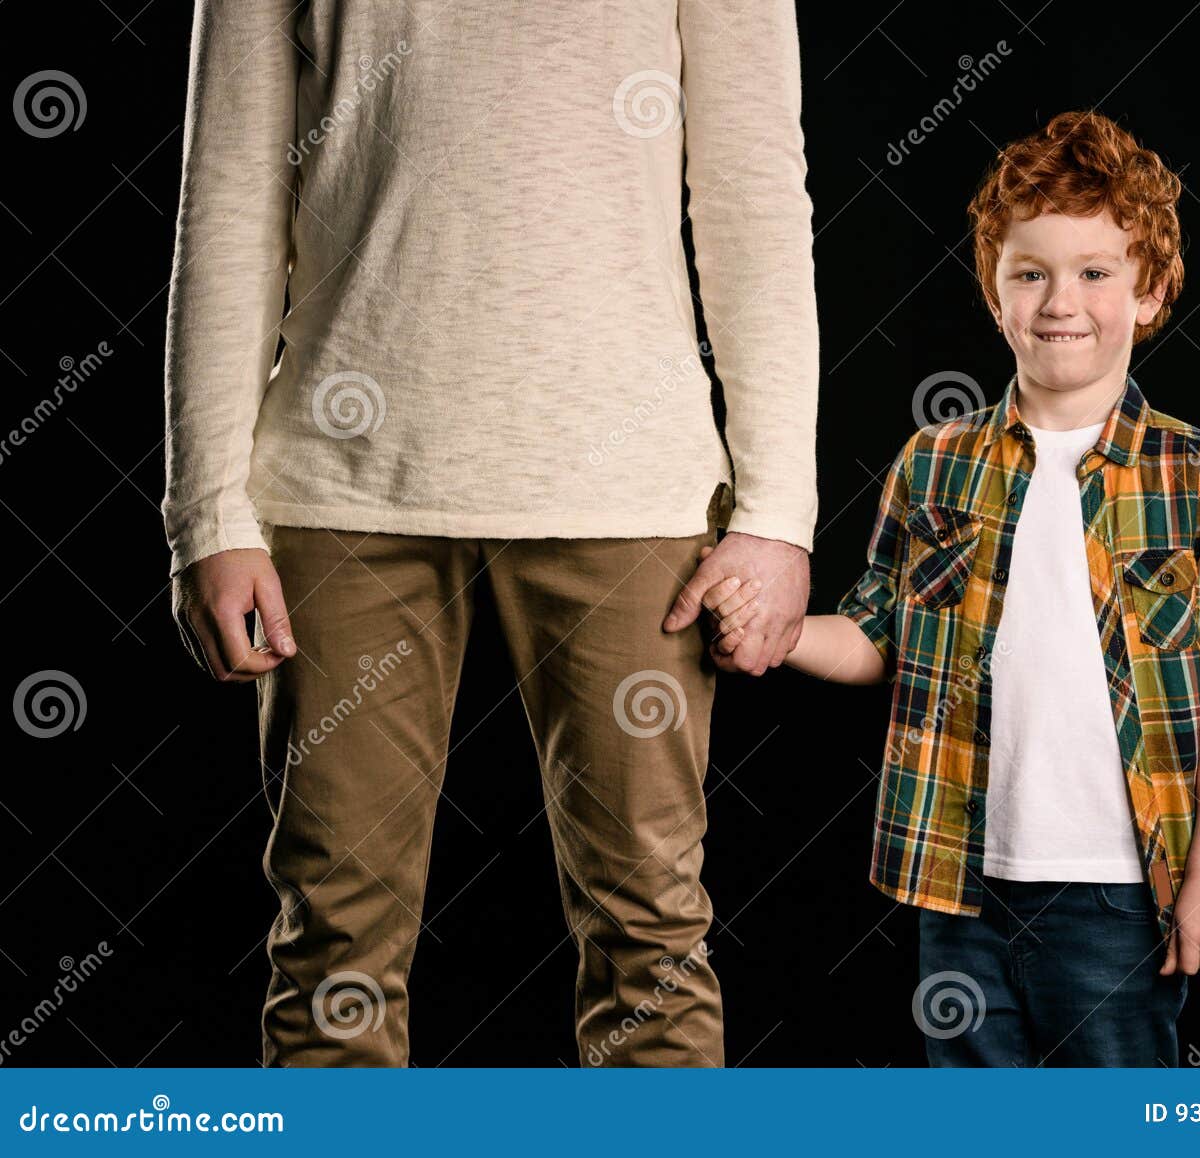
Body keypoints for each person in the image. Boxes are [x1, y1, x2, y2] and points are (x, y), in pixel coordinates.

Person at [163, 0, 818, 1067]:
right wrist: (207, 512)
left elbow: (754, 196)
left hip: (627, 493)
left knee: (651, 941)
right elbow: (229, 193)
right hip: (340, 490)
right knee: (331, 943)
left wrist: (778, 514)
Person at [698, 109, 1200, 1066]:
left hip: (1121, 896)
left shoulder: (1199, 476)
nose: (1061, 301)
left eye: (1095, 274)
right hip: (959, 886)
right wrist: (784, 632)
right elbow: (879, 634)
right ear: (994, 289)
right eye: (1030, 273)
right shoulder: (934, 461)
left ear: (1150, 292)